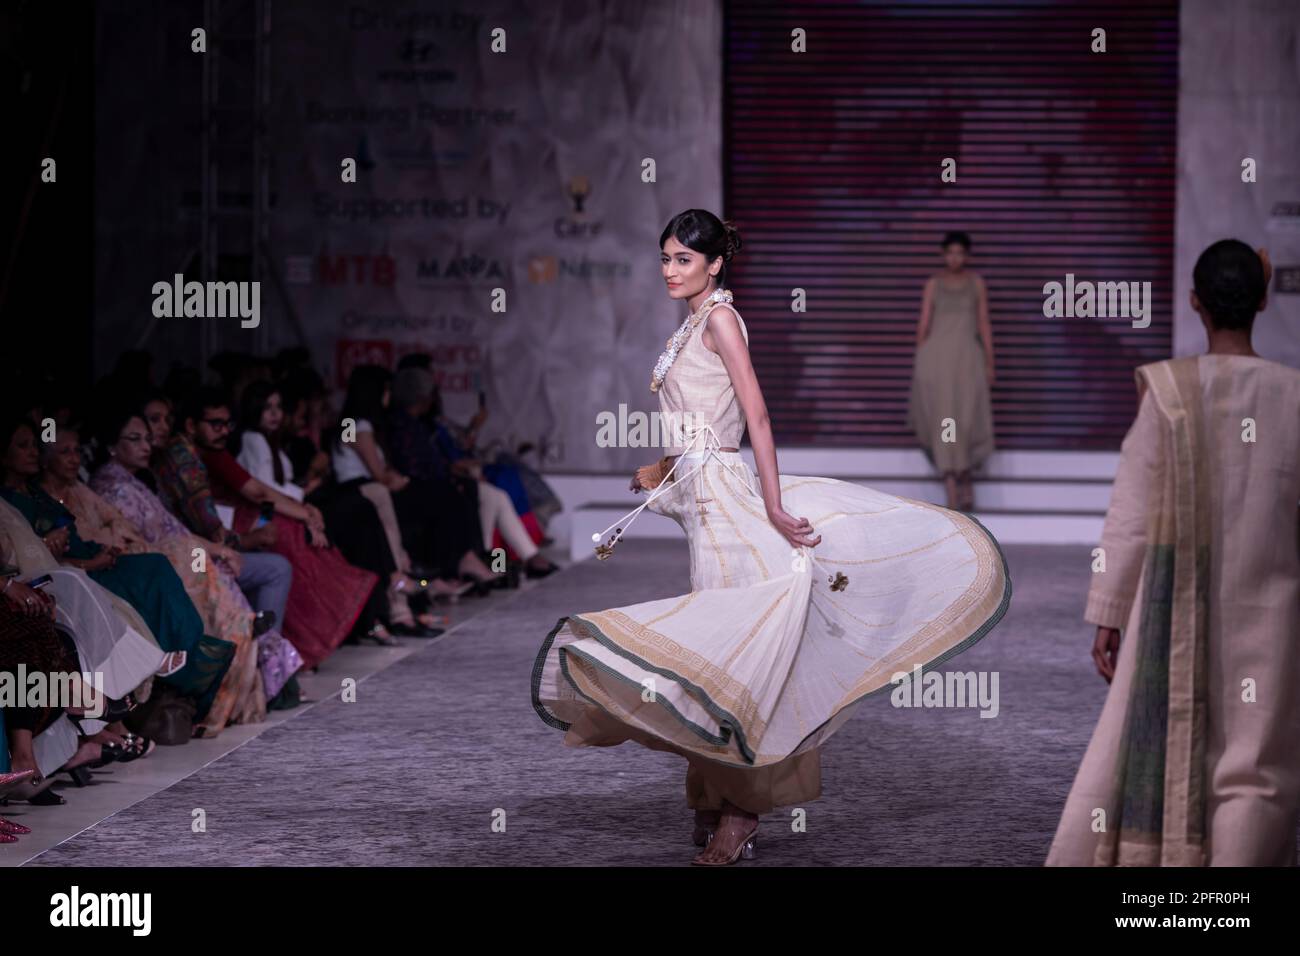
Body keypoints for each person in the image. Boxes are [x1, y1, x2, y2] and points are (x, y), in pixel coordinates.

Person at [532, 209, 1010, 865]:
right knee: (723, 647)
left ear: (715, 263)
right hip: (703, 503)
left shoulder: (722, 319)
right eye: (666, 258)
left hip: (731, 503)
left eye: (684, 260)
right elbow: (706, 419)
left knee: (747, 650)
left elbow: (755, 412)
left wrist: (777, 506)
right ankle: (713, 795)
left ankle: (741, 811)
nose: (671, 270)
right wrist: (667, 467)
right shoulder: (694, 321)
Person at [1047, 241, 1300, 866]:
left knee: (1170, 732)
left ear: (1195, 302)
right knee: (1255, 760)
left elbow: (1130, 510)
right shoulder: (1293, 395)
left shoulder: (1167, 391)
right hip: (1273, 603)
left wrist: (1108, 610)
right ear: (1263, 302)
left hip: (1174, 603)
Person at [90, 408, 289, 729]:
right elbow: (134, 543)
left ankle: (255, 658)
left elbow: (173, 531)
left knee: (216, 568)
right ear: (112, 446)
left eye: (147, 438)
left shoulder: (135, 481)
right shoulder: (112, 488)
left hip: (174, 557)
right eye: (135, 439)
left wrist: (214, 548)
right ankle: (241, 665)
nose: (147, 444)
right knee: (211, 581)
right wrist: (210, 549)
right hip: (151, 568)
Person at [167, 387, 380, 664]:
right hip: (208, 545)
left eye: (226, 423)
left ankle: (289, 652)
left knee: (300, 536)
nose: (223, 430)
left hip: (224, 535)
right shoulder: (198, 456)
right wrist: (302, 513)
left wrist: (303, 509)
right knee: (292, 543)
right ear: (191, 425)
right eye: (215, 424)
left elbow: (262, 493)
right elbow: (257, 494)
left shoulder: (210, 450)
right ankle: (281, 658)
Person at [331, 366, 500, 591]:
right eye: (386, 389)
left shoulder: (362, 426)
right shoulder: (355, 426)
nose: (389, 396)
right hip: (359, 490)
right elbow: (378, 474)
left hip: (372, 487)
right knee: (440, 495)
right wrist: (400, 480)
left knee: (446, 494)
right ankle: (449, 567)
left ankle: (458, 564)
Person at [389, 366, 557, 579]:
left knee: (493, 489)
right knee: (482, 491)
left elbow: (449, 455)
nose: (435, 396)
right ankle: (489, 560)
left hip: (445, 478)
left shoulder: (425, 424)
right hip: (430, 485)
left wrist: (462, 457)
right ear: (422, 395)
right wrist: (454, 469)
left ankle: (512, 557)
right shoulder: (406, 426)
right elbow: (418, 466)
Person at [907, 231, 996, 511]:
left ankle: (966, 481)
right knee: (943, 420)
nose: (954, 258)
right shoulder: (934, 284)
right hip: (938, 360)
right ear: (943, 254)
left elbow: (983, 322)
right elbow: (924, 321)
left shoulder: (976, 283)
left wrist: (990, 360)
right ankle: (952, 492)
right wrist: (920, 358)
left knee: (967, 417)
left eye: (959, 253)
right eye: (950, 253)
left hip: (967, 359)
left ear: (967, 255)